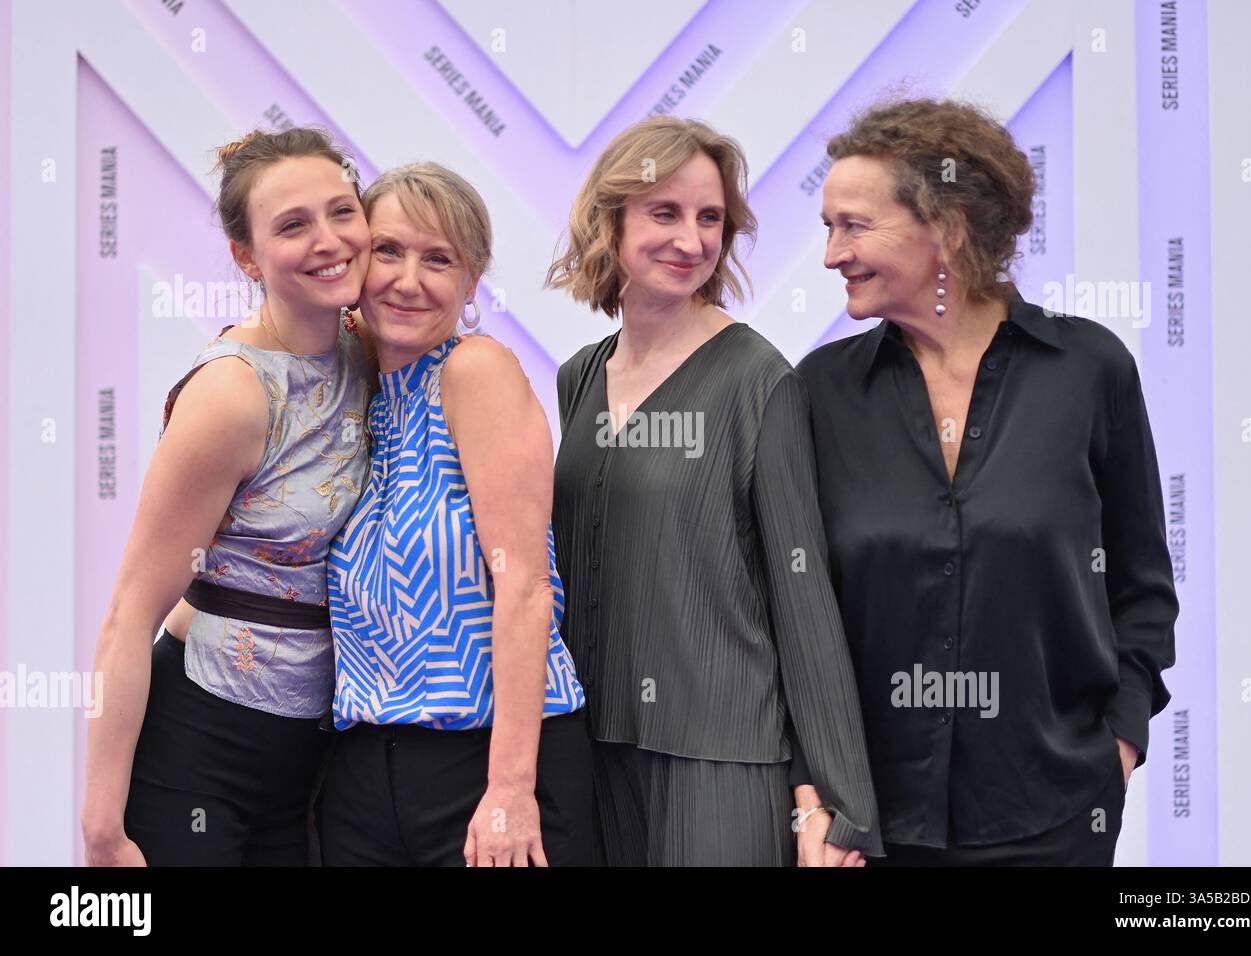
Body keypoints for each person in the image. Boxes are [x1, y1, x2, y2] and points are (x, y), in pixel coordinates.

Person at [797, 97, 1179, 865]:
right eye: (828, 227)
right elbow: (796, 619)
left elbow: (1140, 587)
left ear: (949, 228)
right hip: (868, 829)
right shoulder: (819, 391)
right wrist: (814, 794)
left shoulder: (1088, 371)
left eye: (855, 225)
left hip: (1054, 816)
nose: (832, 254)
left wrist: (1120, 744)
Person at [546, 116, 881, 866]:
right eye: (665, 213)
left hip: (722, 763)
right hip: (590, 752)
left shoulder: (760, 380)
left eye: (710, 219)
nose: (691, 241)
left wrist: (829, 794)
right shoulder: (578, 377)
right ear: (612, 220)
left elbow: (803, 595)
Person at [83, 127, 374, 866]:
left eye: (343, 211)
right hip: (197, 757)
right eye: (292, 225)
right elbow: (129, 615)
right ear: (247, 258)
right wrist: (102, 830)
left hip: (309, 767)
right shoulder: (233, 393)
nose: (329, 239)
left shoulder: (369, 357)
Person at [320, 163, 591, 867]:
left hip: (486, 768)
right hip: (360, 777)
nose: (409, 280)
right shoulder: (358, 393)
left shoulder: (473, 372)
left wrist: (508, 788)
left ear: (471, 284)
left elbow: (526, 587)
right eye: (388, 251)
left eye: (438, 259)